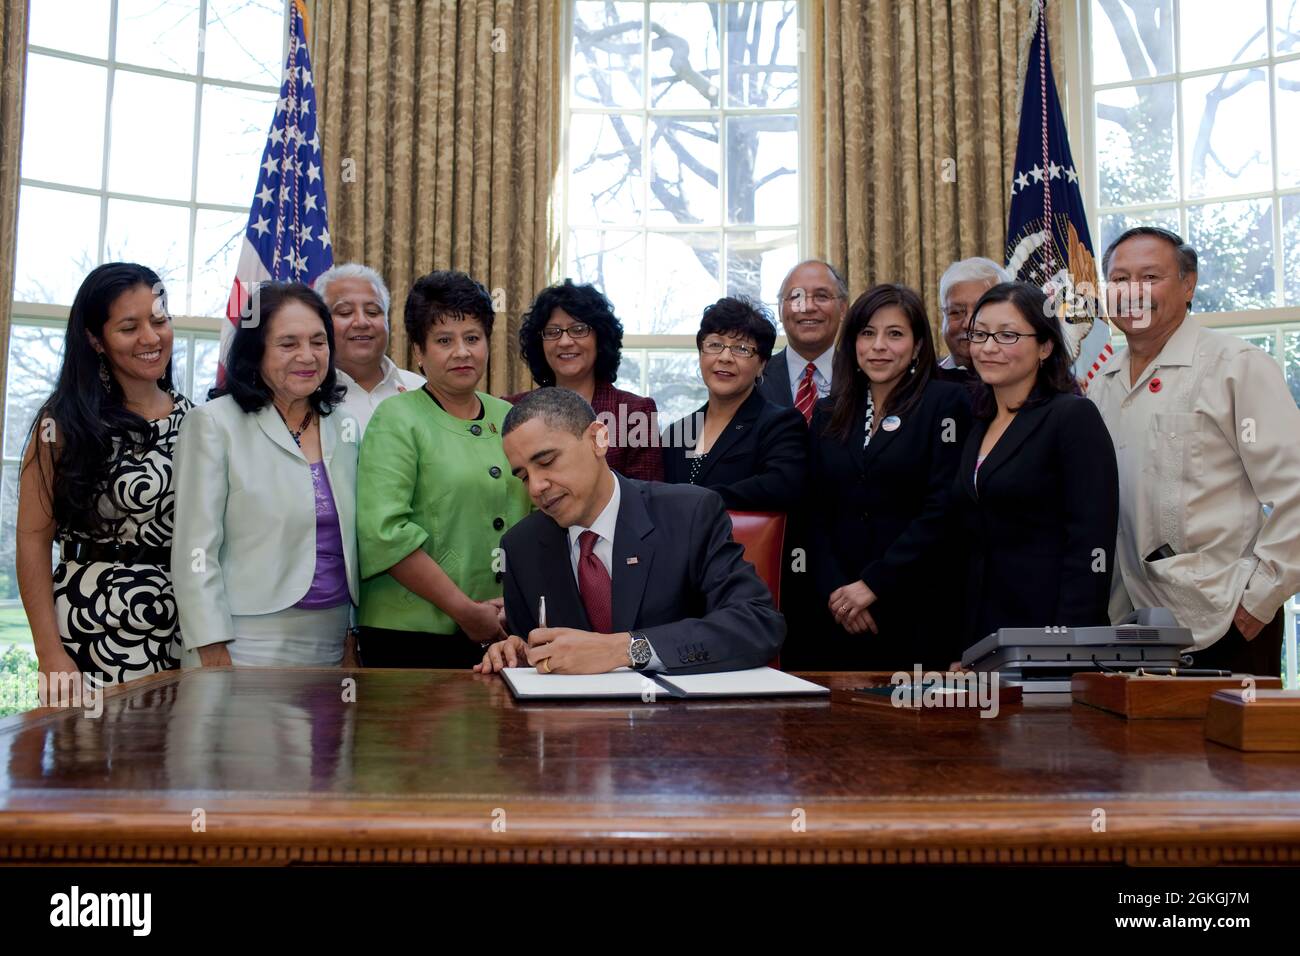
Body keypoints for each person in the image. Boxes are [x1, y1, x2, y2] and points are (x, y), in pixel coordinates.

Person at [1091, 227, 1300, 677]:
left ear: (1189, 284)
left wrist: (1258, 600)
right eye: (1119, 278)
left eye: (1150, 276)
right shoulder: (1100, 383)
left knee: (1230, 750)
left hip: (1225, 622)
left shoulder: (1235, 367)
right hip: (1132, 630)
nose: (1133, 292)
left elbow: (1295, 492)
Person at [475, 387, 785, 675]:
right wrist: (519, 652)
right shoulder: (520, 547)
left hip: (677, 725)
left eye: (547, 461)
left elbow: (757, 625)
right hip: (570, 729)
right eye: (524, 476)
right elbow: (536, 653)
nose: (537, 487)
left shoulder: (689, 514)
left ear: (598, 439)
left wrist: (623, 649)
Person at [16, 263, 192, 688]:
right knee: (84, 755)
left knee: (172, 755)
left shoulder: (199, 421)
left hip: (182, 631)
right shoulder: (62, 422)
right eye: (129, 327)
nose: (150, 338)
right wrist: (49, 652)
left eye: (159, 321)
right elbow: (33, 538)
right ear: (96, 340)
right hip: (88, 626)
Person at [171, 282, 359, 668]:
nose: (307, 356)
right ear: (256, 351)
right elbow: (195, 549)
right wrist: (211, 646)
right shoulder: (212, 424)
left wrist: (352, 634)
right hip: (243, 641)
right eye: (288, 344)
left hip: (332, 639)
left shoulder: (345, 426)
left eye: (318, 342)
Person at [356, 270, 531, 667]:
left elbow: (541, 516)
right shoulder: (396, 417)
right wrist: (465, 610)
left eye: (472, 337)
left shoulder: (512, 417)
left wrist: (512, 601)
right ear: (418, 350)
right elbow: (385, 534)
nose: (462, 351)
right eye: (444, 341)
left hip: (506, 628)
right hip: (412, 634)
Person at [803, 284, 971, 671]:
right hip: (839, 610)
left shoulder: (946, 404)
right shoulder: (829, 412)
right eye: (867, 333)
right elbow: (813, 509)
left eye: (894, 334)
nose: (879, 346)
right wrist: (839, 591)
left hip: (915, 604)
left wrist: (873, 585)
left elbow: (943, 508)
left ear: (916, 347)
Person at [954, 282, 1118, 650]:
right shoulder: (975, 422)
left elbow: (1091, 544)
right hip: (982, 634)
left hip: (1050, 632)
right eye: (979, 334)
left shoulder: (1072, 416)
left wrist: (1064, 646)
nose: (989, 347)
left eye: (1008, 335)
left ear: (1045, 346)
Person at [506, 280, 662, 481]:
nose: (564, 342)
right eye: (553, 332)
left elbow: (646, 500)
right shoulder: (512, 408)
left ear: (600, 338)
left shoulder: (635, 413)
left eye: (578, 330)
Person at [661, 297, 806, 511]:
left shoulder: (780, 424)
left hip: (744, 544)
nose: (725, 357)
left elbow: (780, 486)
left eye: (742, 349)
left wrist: (697, 500)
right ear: (701, 353)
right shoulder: (678, 432)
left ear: (761, 365)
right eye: (715, 345)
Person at [314, 262, 424, 433]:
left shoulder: (421, 390)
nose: (362, 322)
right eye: (345, 312)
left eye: (373, 312)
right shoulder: (307, 397)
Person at [757, 260, 849, 421]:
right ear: (779, 309)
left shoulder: (863, 378)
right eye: (796, 297)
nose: (807, 307)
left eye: (822, 296)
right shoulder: (753, 377)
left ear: (842, 309)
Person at [936, 257, 1012, 384]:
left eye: (981, 310)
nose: (969, 323)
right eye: (956, 312)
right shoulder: (921, 383)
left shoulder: (1023, 382)